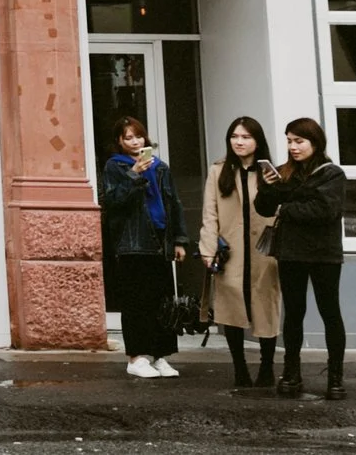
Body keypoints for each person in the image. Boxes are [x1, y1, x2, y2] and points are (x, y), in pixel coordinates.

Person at [257, 116, 349, 400]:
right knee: (293, 313)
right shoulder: (285, 172)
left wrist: (286, 207)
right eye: (288, 141)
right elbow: (263, 208)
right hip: (291, 252)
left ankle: (335, 377)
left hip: (324, 254)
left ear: (315, 142)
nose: (293, 147)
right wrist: (270, 186)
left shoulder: (331, 174)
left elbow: (325, 211)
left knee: (329, 312)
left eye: (299, 141)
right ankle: (291, 373)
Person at [100, 115, 188, 378]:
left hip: (160, 241)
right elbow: (113, 201)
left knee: (162, 302)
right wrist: (134, 174)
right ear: (119, 141)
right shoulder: (115, 166)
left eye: (138, 136)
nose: (135, 141)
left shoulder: (160, 167)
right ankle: (136, 357)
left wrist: (180, 240)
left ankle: (161, 356)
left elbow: (174, 203)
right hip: (132, 243)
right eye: (128, 137)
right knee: (136, 302)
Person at [200, 116, 282, 391]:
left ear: (257, 141)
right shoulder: (218, 171)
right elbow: (210, 213)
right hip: (229, 250)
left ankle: (267, 367)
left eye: (246, 137)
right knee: (231, 304)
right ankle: (239, 369)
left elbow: (281, 210)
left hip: (264, 251)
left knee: (265, 305)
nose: (239, 141)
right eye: (235, 136)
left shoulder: (270, 172)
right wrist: (208, 248)